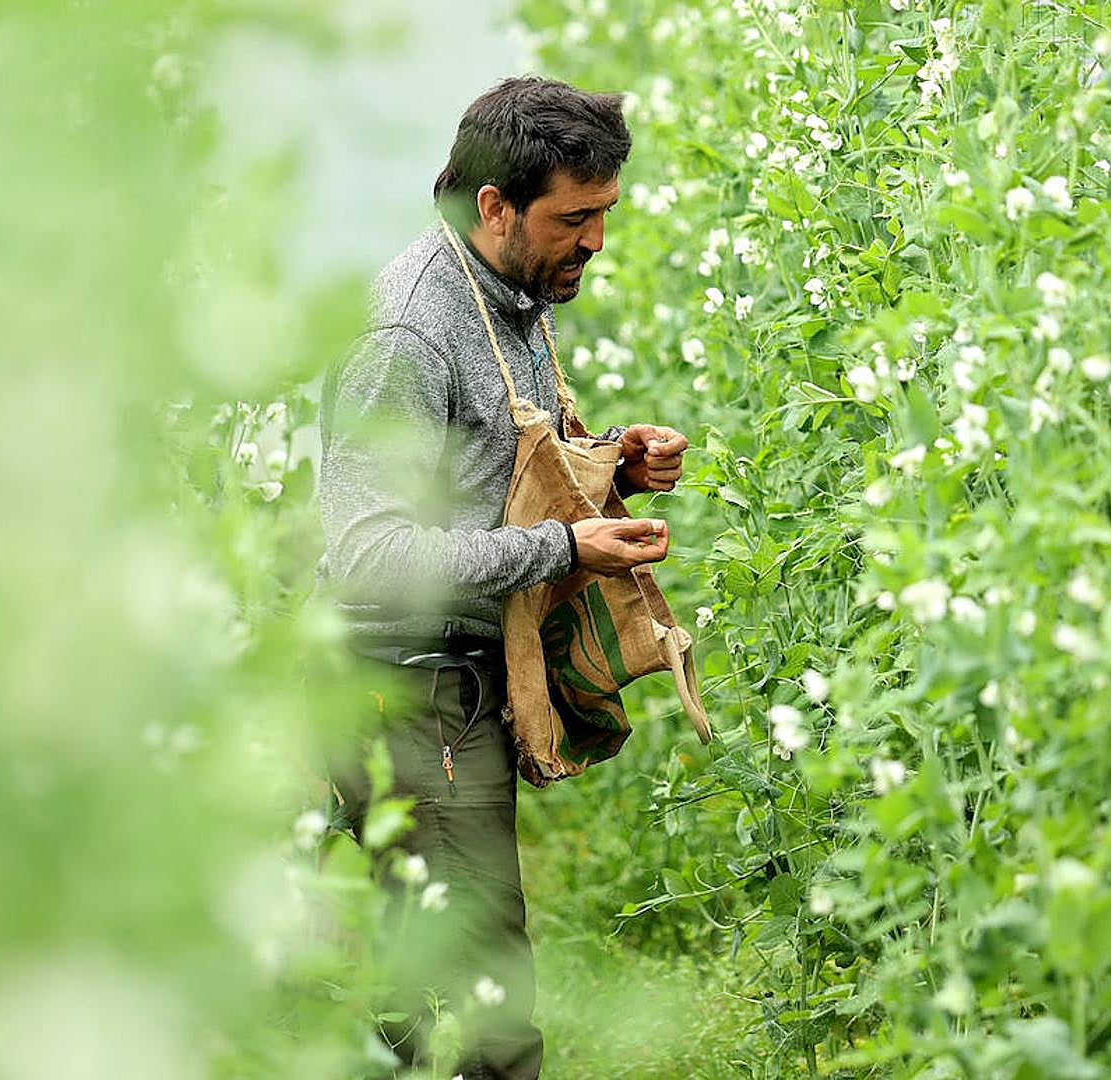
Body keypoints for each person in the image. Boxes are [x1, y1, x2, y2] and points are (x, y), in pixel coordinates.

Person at [315, 76, 690, 1079]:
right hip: (405, 693)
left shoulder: (511, 293)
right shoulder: (406, 331)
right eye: (573, 219)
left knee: (425, 1003)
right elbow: (369, 559)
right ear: (495, 205)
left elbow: (488, 476)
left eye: (604, 214)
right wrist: (566, 550)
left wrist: (610, 465)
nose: (594, 241)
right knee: (485, 1019)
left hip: (454, 686)